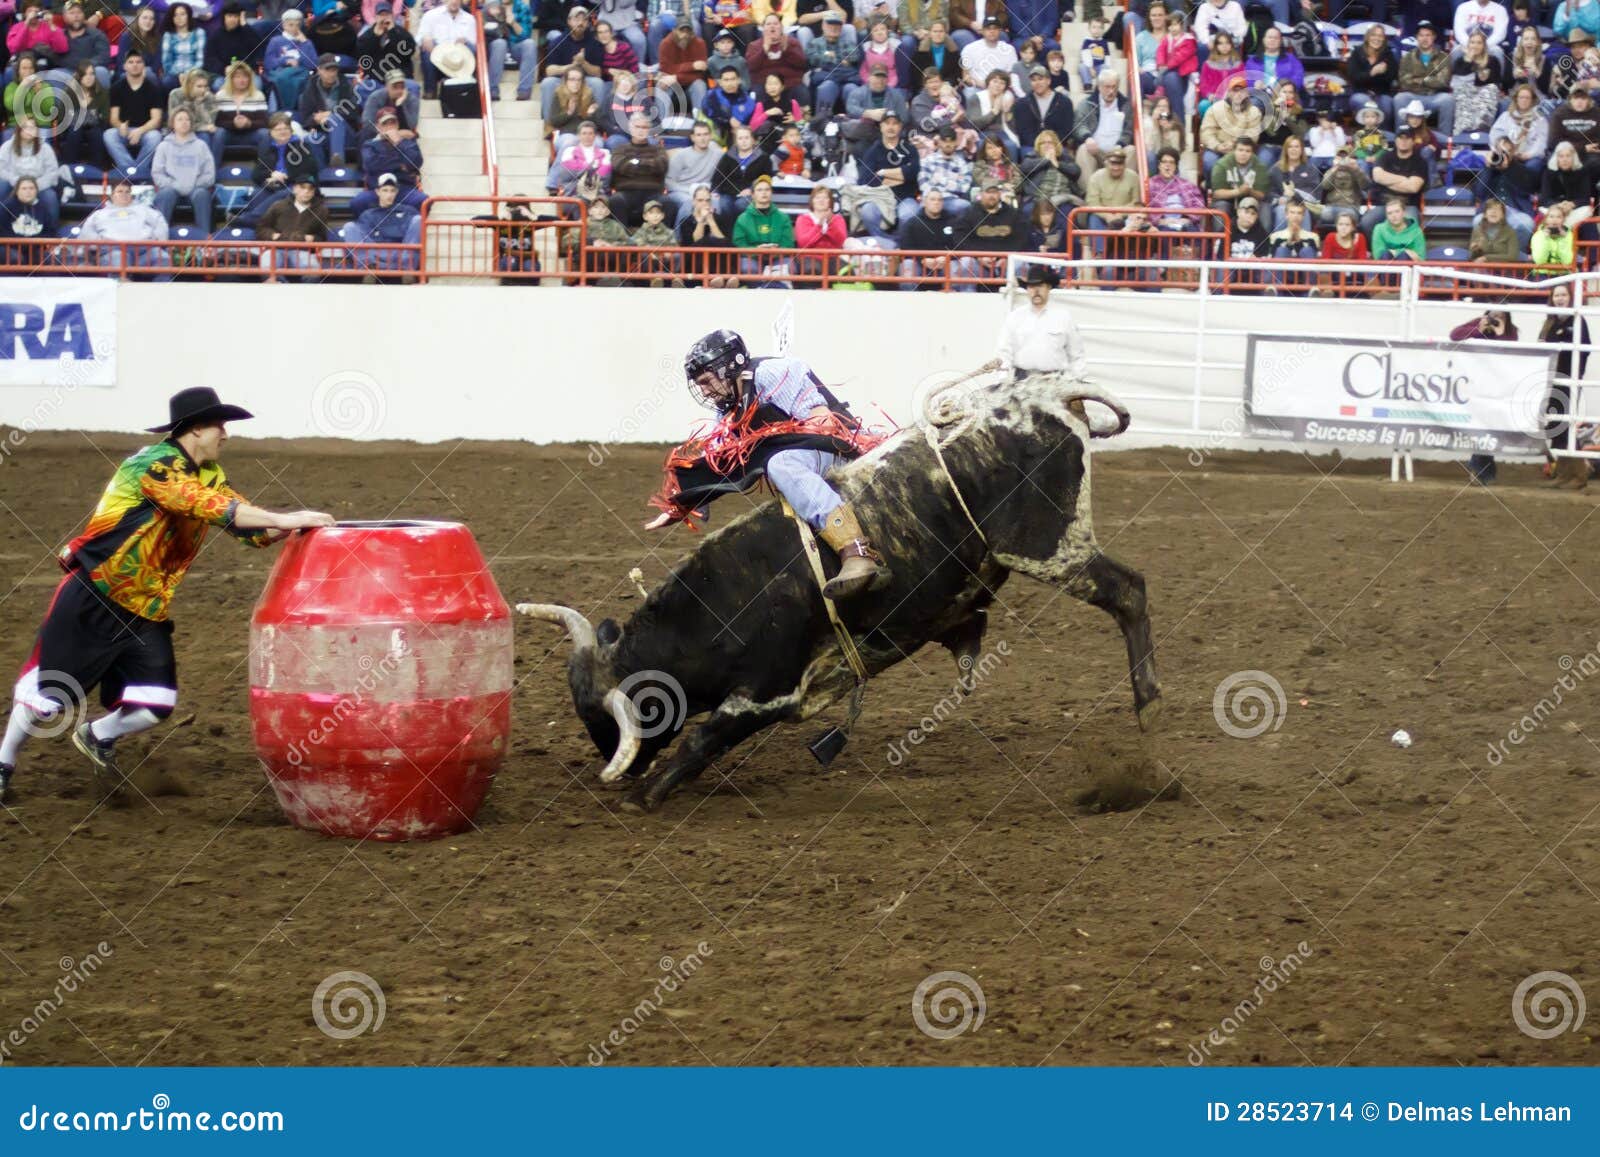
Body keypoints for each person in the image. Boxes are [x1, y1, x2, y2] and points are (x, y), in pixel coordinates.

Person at [0, 388, 335, 803]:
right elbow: (208, 507)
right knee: (48, 701)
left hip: (145, 608)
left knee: (155, 702)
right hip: (96, 593)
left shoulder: (208, 475)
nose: (225, 435)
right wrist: (287, 517)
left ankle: (97, 734)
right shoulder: (153, 464)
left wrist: (299, 528)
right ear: (195, 429)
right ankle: (3, 762)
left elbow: (246, 526)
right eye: (219, 425)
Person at [646, 330, 888, 600]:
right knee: (777, 462)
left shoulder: (775, 372)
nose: (703, 390)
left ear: (728, 367)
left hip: (841, 449)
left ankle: (857, 551)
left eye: (706, 381)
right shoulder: (727, 410)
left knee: (781, 463)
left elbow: (825, 424)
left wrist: (768, 443)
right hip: (808, 459)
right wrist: (684, 501)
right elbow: (719, 460)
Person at [1451, 308, 1519, 484]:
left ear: (1507, 318)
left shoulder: (1511, 331)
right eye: (1493, 316)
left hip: (1499, 388)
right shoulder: (1479, 324)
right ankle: (1483, 470)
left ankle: (1479, 467)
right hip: (1478, 385)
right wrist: (1478, 330)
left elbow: (1510, 352)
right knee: (1482, 427)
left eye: (1500, 317)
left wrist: (1501, 333)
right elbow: (1454, 335)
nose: (1495, 320)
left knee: (1490, 428)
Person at [1542, 280, 1593, 488]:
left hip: (1569, 379)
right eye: (1556, 295)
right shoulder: (1550, 322)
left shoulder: (1578, 319)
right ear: (1552, 299)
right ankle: (1564, 473)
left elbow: (1585, 348)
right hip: (1553, 379)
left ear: (1570, 297)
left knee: (1566, 423)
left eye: (1563, 295)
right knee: (1555, 424)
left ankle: (1579, 475)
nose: (1560, 299)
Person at [996, 262, 1086, 378]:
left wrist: (1077, 384)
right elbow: (1004, 352)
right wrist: (1002, 380)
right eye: (1032, 286)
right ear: (1027, 289)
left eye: (1040, 286)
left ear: (1048, 288)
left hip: (1055, 381)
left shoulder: (1064, 317)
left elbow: (1077, 355)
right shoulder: (1015, 317)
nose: (1036, 291)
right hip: (1022, 381)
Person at [151, 107, 215, 234]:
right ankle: (159, 238)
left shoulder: (201, 145)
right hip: (171, 189)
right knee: (165, 194)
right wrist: (176, 185)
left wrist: (191, 185)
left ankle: (205, 241)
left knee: (202, 194)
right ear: (172, 123)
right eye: (180, 119)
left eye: (187, 119)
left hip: (195, 189)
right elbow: (157, 174)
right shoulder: (163, 146)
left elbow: (209, 174)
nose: (184, 122)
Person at [258, 174, 333, 280]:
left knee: (313, 272)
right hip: (276, 248)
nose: (307, 191)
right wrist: (272, 235)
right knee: (267, 269)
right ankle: (285, 291)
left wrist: (312, 239)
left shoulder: (322, 211)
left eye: (310, 188)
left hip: (302, 250)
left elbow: (322, 237)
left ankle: (303, 295)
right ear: (294, 189)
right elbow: (261, 228)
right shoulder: (278, 205)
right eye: (302, 187)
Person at [104, 52, 164, 175]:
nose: (135, 65)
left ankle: (136, 172)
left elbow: (156, 119)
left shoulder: (153, 89)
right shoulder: (116, 88)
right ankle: (131, 170)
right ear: (124, 66)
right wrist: (120, 125)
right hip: (125, 130)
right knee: (109, 134)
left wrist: (140, 130)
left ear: (143, 66)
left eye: (138, 62)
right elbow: (113, 118)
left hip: (145, 131)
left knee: (156, 137)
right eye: (131, 62)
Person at [299, 53, 359, 167]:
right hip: (324, 132)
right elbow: (305, 119)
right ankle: (322, 176)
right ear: (319, 70)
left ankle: (337, 160)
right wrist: (315, 120)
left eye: (334, 70)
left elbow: (353, 112)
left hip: (347, 134)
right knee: (311, 139)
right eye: (328, 70)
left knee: (334, 118)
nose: (331, 74)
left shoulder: (346, 85)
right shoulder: (310, 89)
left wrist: (330, 115)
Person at [1396, 19, 1453, 134]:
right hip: (1413, 96)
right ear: (1416, 37)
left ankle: (1444, 139)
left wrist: (1418, 79)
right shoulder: (1408, 57)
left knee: (1448, 100)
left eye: (1428, 35)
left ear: (1434, 37)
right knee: (1400, 98)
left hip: (1435, 97)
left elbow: (1443, 81)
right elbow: (1404, 81)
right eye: (1421, 35)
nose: (1424, 38)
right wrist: (1429, 80)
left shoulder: (1444, 57)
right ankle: (1401, 135)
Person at [0, 117, 60, 220]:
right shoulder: (7, 146)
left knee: (50, 197)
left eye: (32, 128)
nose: (29, 130)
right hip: (13, 183)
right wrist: (16, 182)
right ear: (19, 130)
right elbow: (1, 169)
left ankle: (52, 232)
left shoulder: (45, 148)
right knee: (2, 187)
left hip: (38, 184)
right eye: (25, 127)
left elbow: (53, 172)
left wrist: (35, 186)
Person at [265, 10, 317, 111]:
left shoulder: (306, 42)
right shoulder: (276, 41)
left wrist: (305, 43)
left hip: (301, 74)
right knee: (281, 79)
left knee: (305, 81)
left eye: (297, 25)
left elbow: (313, 64)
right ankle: (283, 110)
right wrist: (285, 61)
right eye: (291, 25)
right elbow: (268, 63)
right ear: (284, 25)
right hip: (280, 73)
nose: (294, 28)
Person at [659, 19, 712, 110]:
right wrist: (692, 66)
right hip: (672, 84)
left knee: (700, 85)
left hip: (690, 83)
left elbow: (701, 74)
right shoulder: (665, 44)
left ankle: (701, 121)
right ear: (674, 31)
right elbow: (666, 70)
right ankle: (662, 122)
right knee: (662, 84)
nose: (685, 35)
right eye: (681, 31)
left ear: (693, 33)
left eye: (688, 31)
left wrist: (676, 77)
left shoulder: (700, 43)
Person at [1470, 196, 1523, 261]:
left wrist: (1487, 258)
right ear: (1485, 214)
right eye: (1490, 209)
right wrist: (1475, 250)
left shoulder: (1510, 232)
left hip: (1504, 270)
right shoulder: (1477, 230)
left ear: (1503, 215)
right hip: (1482, 269)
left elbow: (1513, 257)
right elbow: (1471, 257)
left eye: (1497, 209)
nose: (1493, 212)